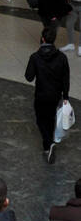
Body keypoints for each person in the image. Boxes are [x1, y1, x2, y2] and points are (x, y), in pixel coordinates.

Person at [24, 24, 70, 162]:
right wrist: (66, 96)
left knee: (40, 119)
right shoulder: (62, 57)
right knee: (50, 119)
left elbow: (29, 77)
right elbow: (65, 78)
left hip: (41, 94)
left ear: (42, 39)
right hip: (55, 95)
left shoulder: (35, 57)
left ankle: (48, 143)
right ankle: (48, 146)